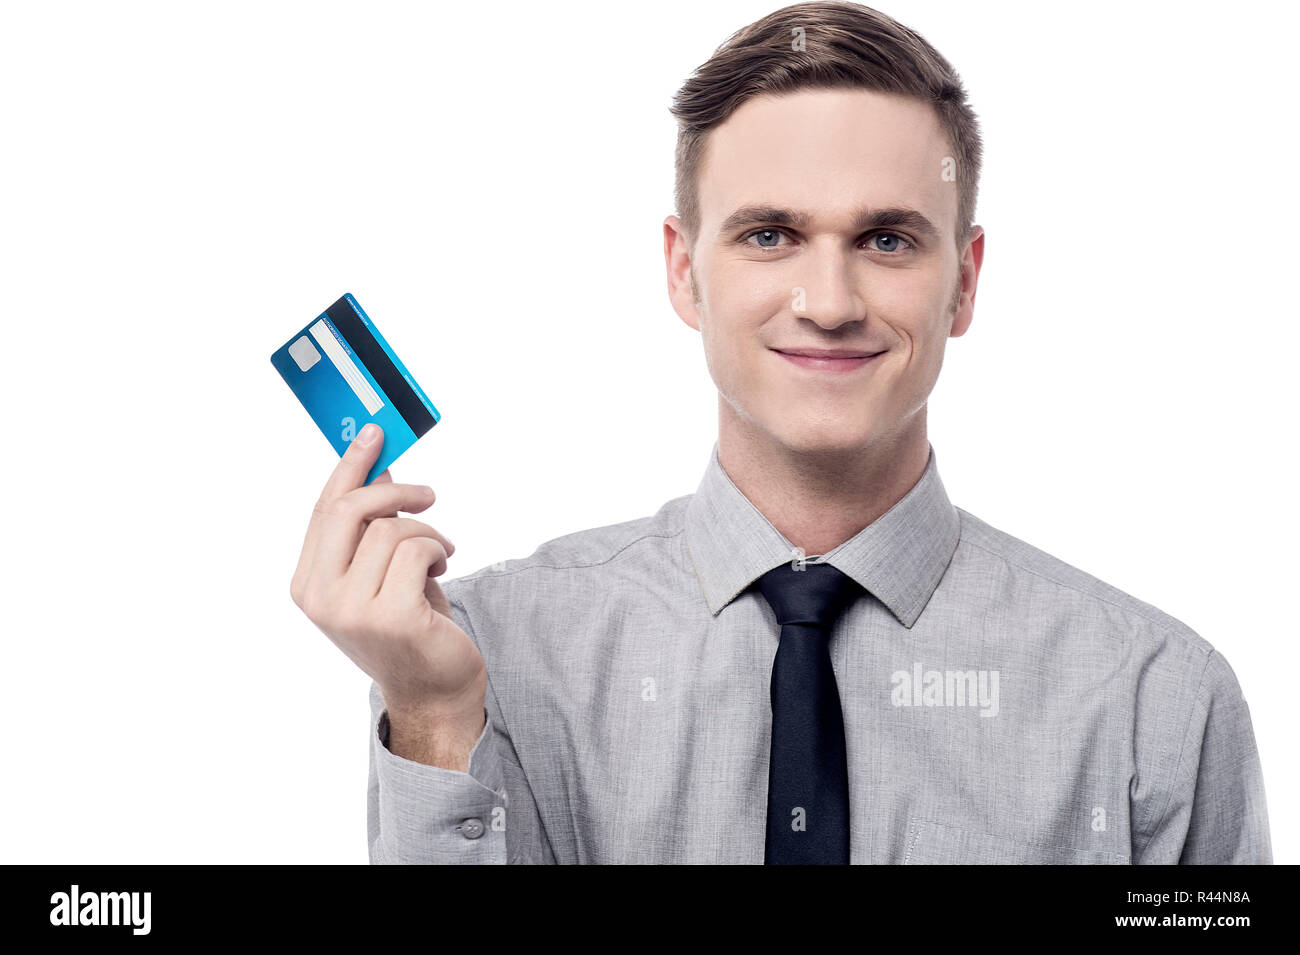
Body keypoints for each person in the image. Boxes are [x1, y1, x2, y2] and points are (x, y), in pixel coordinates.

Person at [289, 1, 1272, 864]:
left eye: (887, 239)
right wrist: (429, 718)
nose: (828, 301)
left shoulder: (1155, 700)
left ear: (964, 282)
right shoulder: (484, 654)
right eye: (770, 234)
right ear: (683, 271)